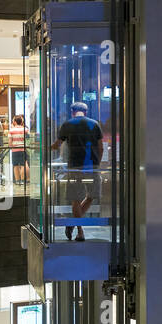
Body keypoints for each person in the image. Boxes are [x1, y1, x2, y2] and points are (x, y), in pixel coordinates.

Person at [51, 101, 104, 242]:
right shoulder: (95, 124)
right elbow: (101, 148)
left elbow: (57, 145)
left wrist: (45, 147)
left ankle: (77, 227)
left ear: (72, 112)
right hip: (91, 166)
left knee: (75, 198)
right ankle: (78, 229)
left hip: (74, 166)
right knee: (92, 196)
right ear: (85, 112)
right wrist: (97, 164)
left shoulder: (67, 125)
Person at [9, 114, 29, 184]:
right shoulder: (25, 130)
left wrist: (11, 147)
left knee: (15, 165)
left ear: (14, 121)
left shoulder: (11, 130)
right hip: (23, 149)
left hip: (14, 150)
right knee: (23, 164)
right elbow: (28, 138)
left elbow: (10, 141)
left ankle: (17, 180)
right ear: (21, 121)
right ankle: (22, 180)